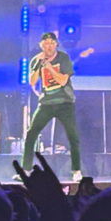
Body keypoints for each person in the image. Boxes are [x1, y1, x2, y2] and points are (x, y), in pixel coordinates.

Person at [22, 31, 82, 180]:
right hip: (46, 103)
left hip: (65, 103)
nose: (49, 47)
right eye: (46, 44)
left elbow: (63, 80)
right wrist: (38, 65)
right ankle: (26, 169)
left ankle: (76, 171)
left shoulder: (63, 58)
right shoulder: (36, 60)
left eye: (52, 43)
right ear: (41, 45)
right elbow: (32, 81)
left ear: (56, 44)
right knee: (31, 134)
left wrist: (49, 67)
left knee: (72, 136)